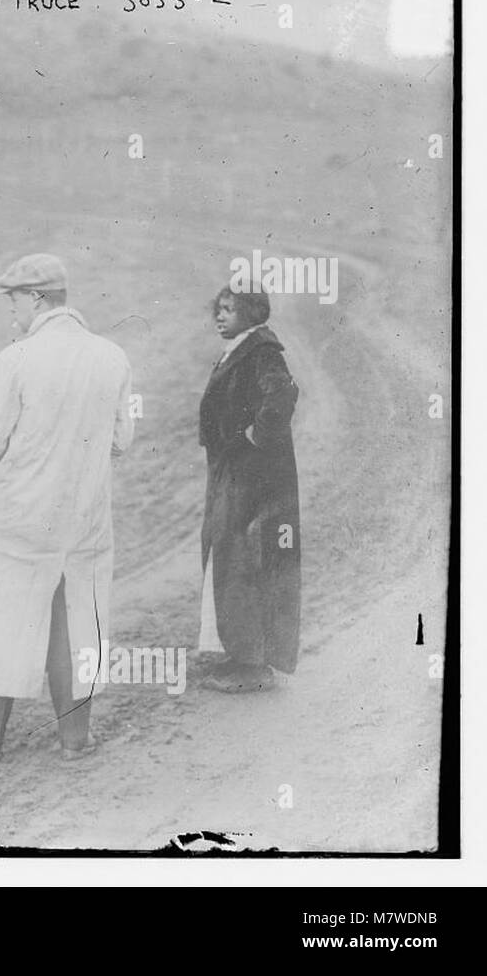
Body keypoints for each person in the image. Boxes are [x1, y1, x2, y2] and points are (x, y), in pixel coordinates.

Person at [0, 254, 134, 761]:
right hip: (85, 515)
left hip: (19, 514)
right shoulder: (112, 356)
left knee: (6, 618)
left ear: (36, 299)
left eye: (13, 298)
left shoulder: (17, 358)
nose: (11, 308)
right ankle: (76, 739)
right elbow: (121, 440)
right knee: (76, 620)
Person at [198, 284, 301, 692]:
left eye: (229, 309)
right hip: (234, 467)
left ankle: (252, 666)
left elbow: (282, 397)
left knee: (243, 555)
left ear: (252, 313)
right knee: (229, 552)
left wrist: (254, 438)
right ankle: (239, 653)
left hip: (252, 474)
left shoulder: (261, 350)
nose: (219, 316)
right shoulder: (244, 346)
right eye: (218, 308)